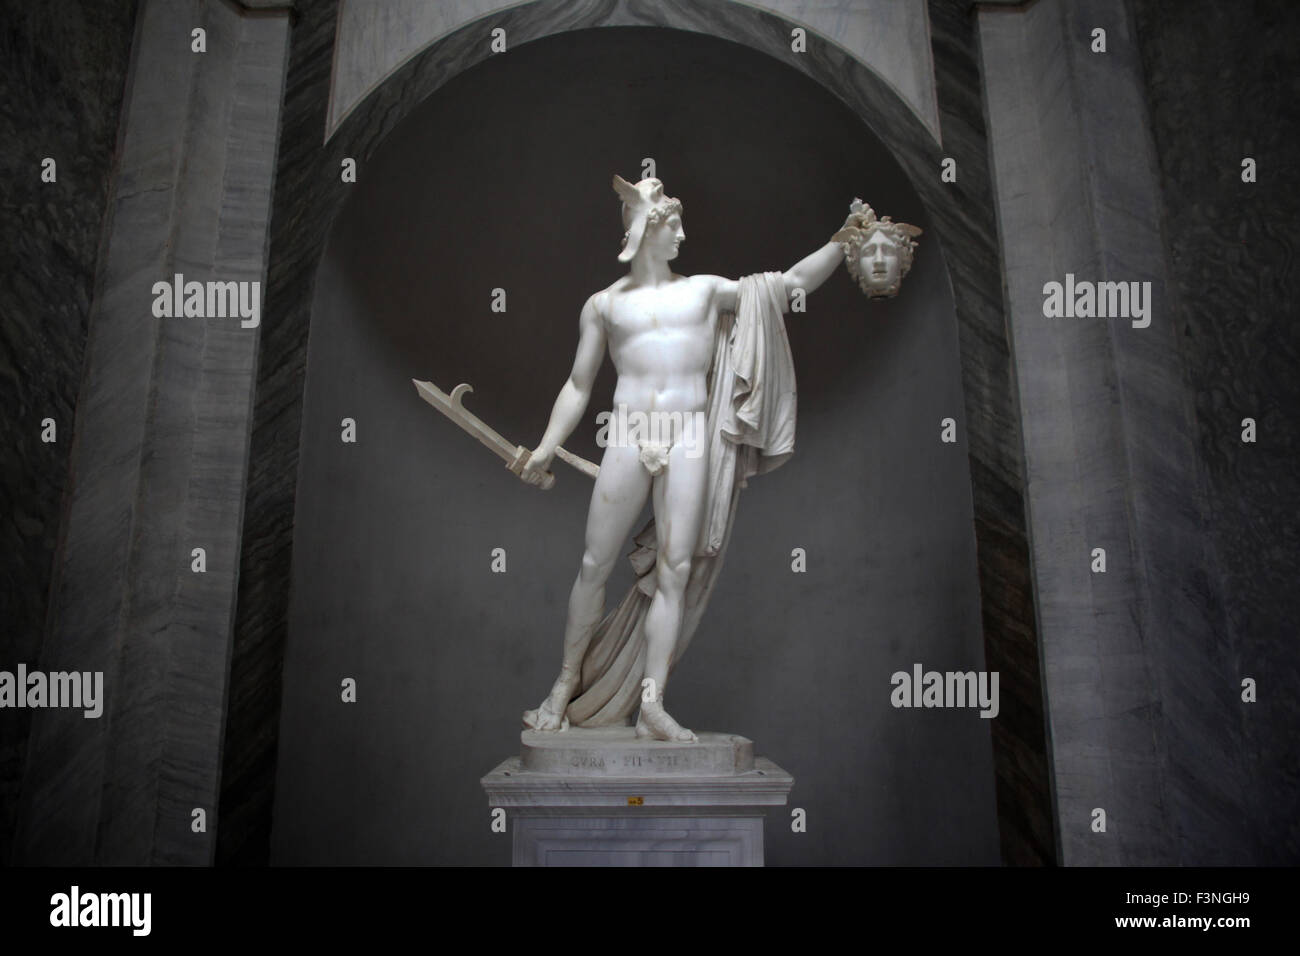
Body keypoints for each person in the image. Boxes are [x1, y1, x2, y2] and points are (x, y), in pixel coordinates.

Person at [517, 175, 858, 741]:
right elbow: (578, 386)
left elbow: (790, 285)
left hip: (688, 435)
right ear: (649, 228)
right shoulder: (603, 305)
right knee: (592, 566)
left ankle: (651, 702)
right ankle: (562, 684)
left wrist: (842, 242)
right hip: (629, 431)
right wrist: (546, 448)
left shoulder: (704, 291)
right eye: (674, 223)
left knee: (675, 571)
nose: (683, 233)